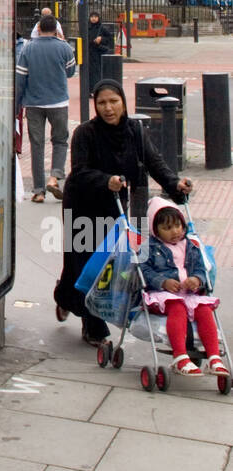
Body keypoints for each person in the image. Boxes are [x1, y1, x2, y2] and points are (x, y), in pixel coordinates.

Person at [55, 79, 192, 345]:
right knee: (85, 264)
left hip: (115, 207)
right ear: (96, 105)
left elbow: (155, 163)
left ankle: (66, 298)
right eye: (102, 103)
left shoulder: (135, 131)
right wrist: (105, 180)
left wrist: (175, 184)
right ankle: (93, 326)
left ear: (123, 103)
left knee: (110, 264)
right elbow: (80, 171)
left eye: (113, 101)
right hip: (83, 204)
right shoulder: (85, 133)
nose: (108, 108)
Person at [142, 198, 227, 375]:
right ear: (155, 230)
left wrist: (196, 279)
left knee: (204, 309)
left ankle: (214, 357)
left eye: (177, 226)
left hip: (189, 294)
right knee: (177, 307)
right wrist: (162, 281)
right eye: (167, 228)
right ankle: (180, 356)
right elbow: (144, 270)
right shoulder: (150, 247)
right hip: (163, 295)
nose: (174, 232)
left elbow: (200, 267)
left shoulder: (191, 245)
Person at [15, 13, 76, 202]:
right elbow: (71, 72)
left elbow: (20, 79)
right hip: (58, 102)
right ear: (57, 30)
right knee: (60, 141)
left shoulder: (28, 49)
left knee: (37, 146)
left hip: (33, 103)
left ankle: (39, 190)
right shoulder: (64, 48)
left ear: (39, 29)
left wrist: (17, 104)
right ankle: (54, 177)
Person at [87, 10, 115, 91]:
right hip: (89, 53)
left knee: (97, 72)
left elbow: (110, 39)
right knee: (89, 72)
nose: (93, 19)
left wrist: (101, 39)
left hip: (98, 53)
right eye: (92, 17)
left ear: (98, 18)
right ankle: (90, 89)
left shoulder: (102, 28)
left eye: (95, 17)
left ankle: (97, 89)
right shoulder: (87, 27)